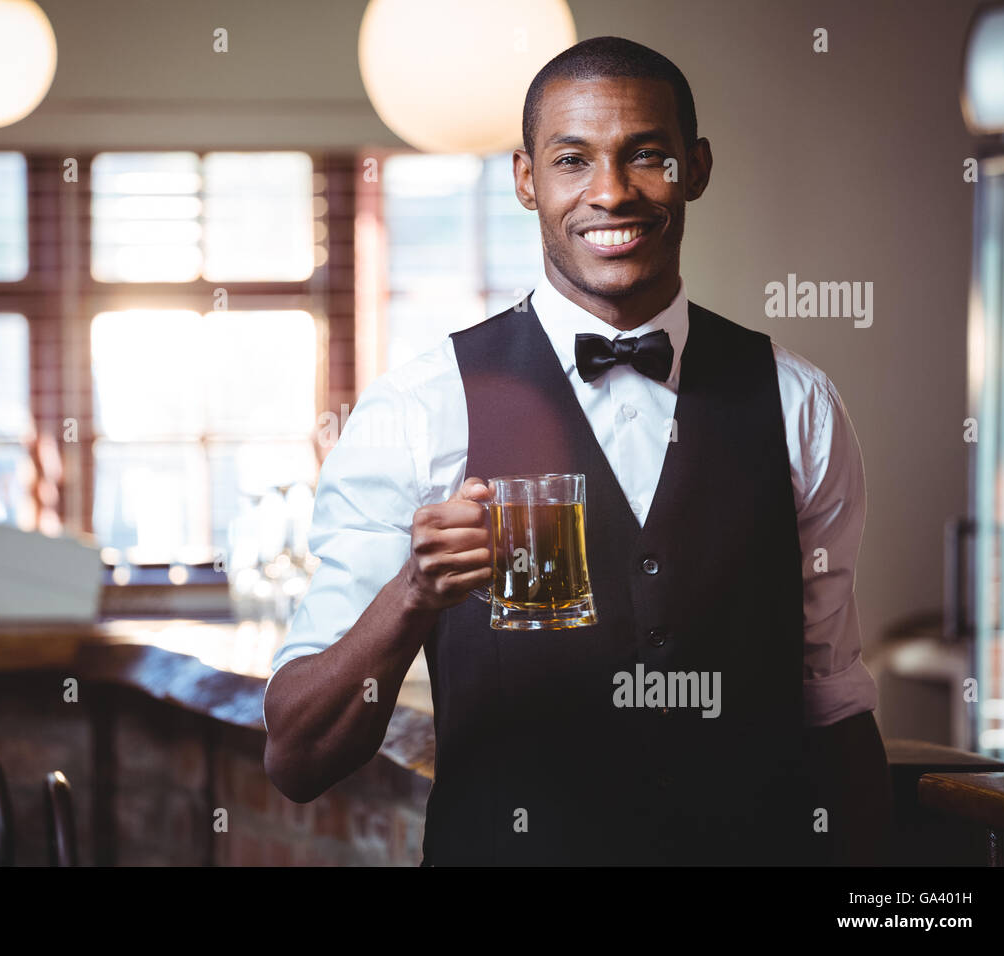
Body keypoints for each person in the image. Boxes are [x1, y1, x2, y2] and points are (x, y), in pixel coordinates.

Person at [264, 35, 891, 865]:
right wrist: (413, 594)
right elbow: (299, 757)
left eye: (647, 157)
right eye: (571, 161)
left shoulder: (799, 403)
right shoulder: (418, 409)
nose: (610, 192)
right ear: (527, 180)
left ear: (695, 170)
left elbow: (831, 700)